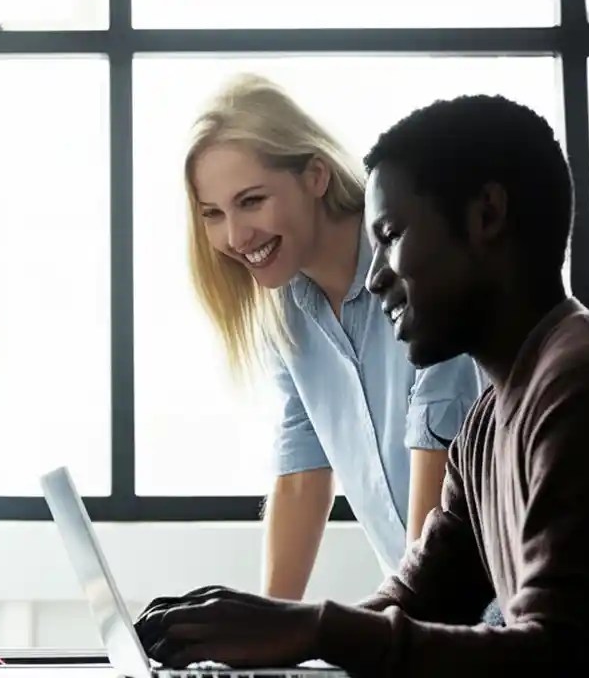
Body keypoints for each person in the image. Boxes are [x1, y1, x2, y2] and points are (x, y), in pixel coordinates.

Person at [135, 95, 589, 674]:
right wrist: (262, 637)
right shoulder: (485, 429)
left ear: (486, 217)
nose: (374, 278)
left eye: (392, 236)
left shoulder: (577, 385)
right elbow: (415, 597)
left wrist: (312, 629)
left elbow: (559, 654)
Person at [182, 74, 483, 599]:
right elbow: (302, 479)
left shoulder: (418, 267)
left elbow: (441, 478)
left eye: (251, 201)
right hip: (431, 617)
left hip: (508, 622)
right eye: (213, 213)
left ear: (315, 176)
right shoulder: (289, 310)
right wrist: (265, 634)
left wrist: (396, 630)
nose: (234, 237)